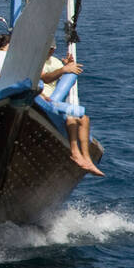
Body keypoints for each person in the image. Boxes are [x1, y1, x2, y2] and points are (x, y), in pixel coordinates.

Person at [40, 44, 103, 176]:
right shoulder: (35, 61)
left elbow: (67, 80)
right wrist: (64, 69)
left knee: (84, 119)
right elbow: (46, 78)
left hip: (55, 101)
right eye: (49, 47)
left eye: (53, 48)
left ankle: (86, 159)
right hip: (42, 100)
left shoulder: (55, 62)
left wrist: (69, 68)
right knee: (71, 119)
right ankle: (75, 153)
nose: (52, 50)